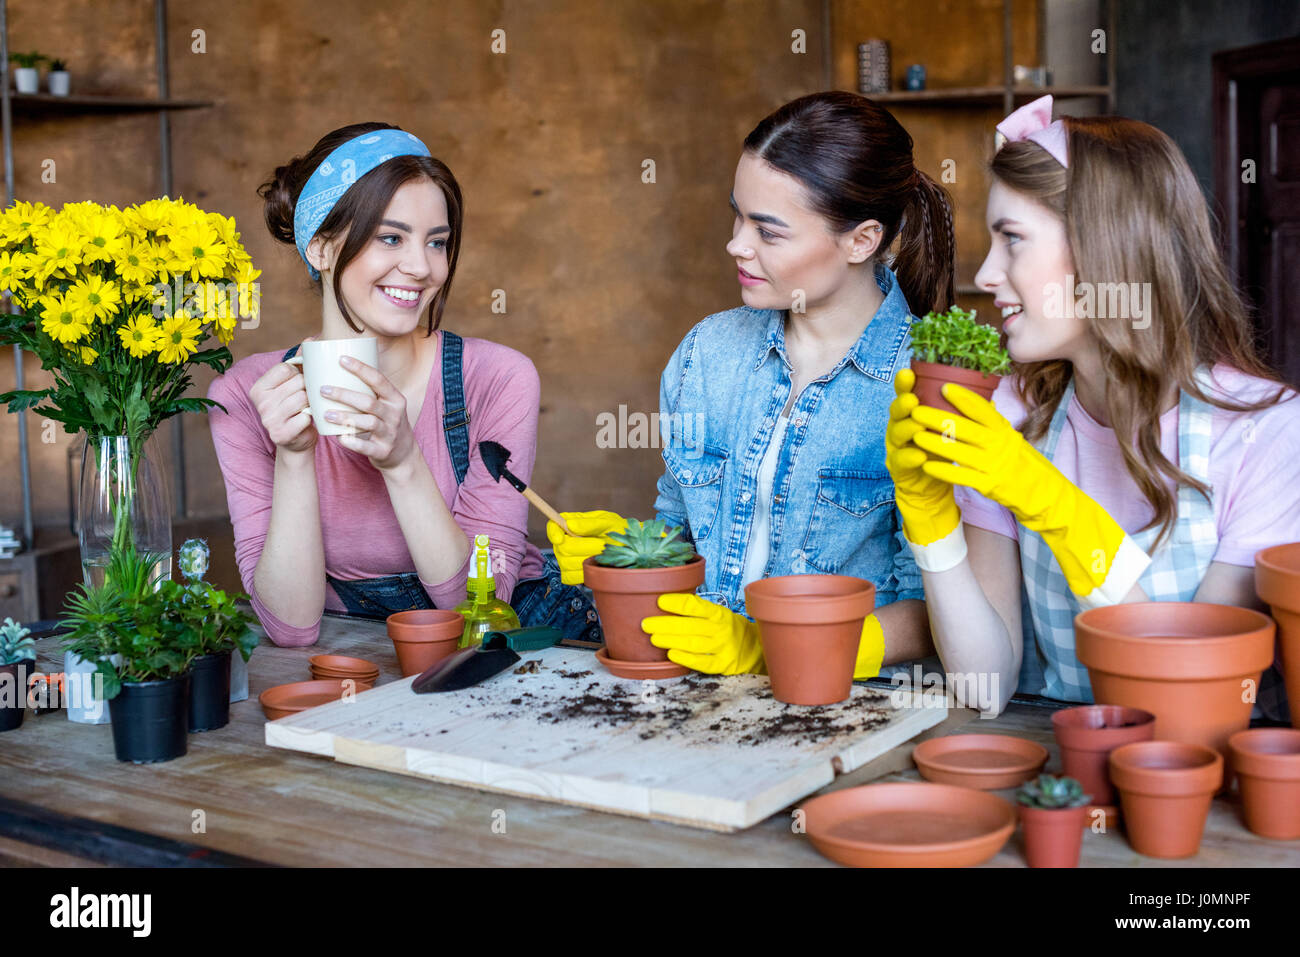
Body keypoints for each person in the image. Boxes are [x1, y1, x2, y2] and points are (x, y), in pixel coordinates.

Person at [886, 96, 1300, 716]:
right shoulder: (1009, 415)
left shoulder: (1262, 432)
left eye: (1013, 241)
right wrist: (931, 524)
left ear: (1105, 250)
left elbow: (1192, 701)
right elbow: (984, 690)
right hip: (1055, 763)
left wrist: (1058, 510)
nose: (989, 273)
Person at [547, 91, 956, 677]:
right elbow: (684, 532)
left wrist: (766, 647)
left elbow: (937, 610)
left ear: (861, 240)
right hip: (698, 687)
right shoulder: (706, 353)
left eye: (769, 231)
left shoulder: (929, 383)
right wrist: (628, 554)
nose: (736, 244)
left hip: (847, 700)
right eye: (738, 215)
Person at [207, 122, 599, 647]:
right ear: (321, 247)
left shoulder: (498, 378)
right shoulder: (244, 397)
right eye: (390, 237)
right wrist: (295, 458)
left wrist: (402, 461)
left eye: (436, 243)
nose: (420, 268)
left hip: (513, 641)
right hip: (367, 650)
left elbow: (477, 612)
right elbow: (292, 627)